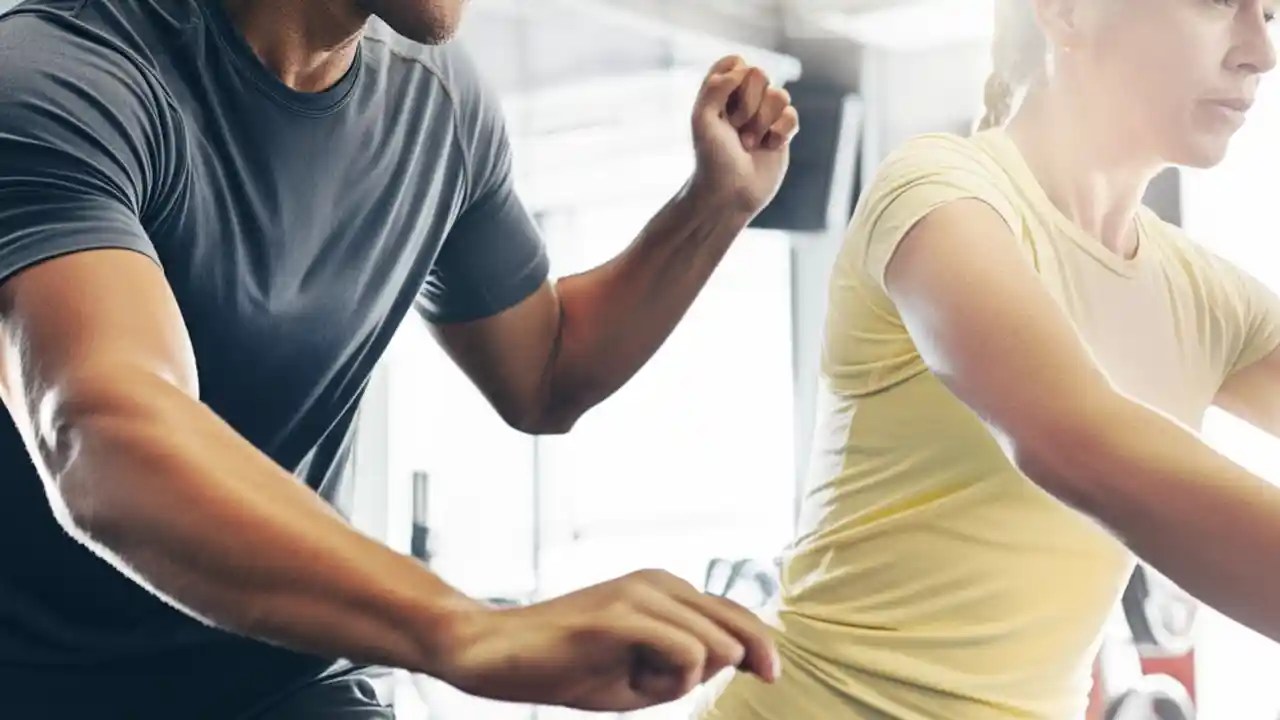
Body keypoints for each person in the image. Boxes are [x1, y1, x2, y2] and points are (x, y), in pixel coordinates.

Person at [0, 0, 800, 718]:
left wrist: (715, 205)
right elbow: (102, 431)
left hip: (284, 675)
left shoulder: (439, 103)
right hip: (41, 681)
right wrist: (469, 631)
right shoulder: (62, 68)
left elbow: (545, 371)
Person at [698, 0, 1280, 718]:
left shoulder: (1206, 298)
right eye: (1219, 4)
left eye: (1273, 13)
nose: (1260, 52)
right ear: (1067, 13)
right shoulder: (940, 197)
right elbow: (1085, 451)